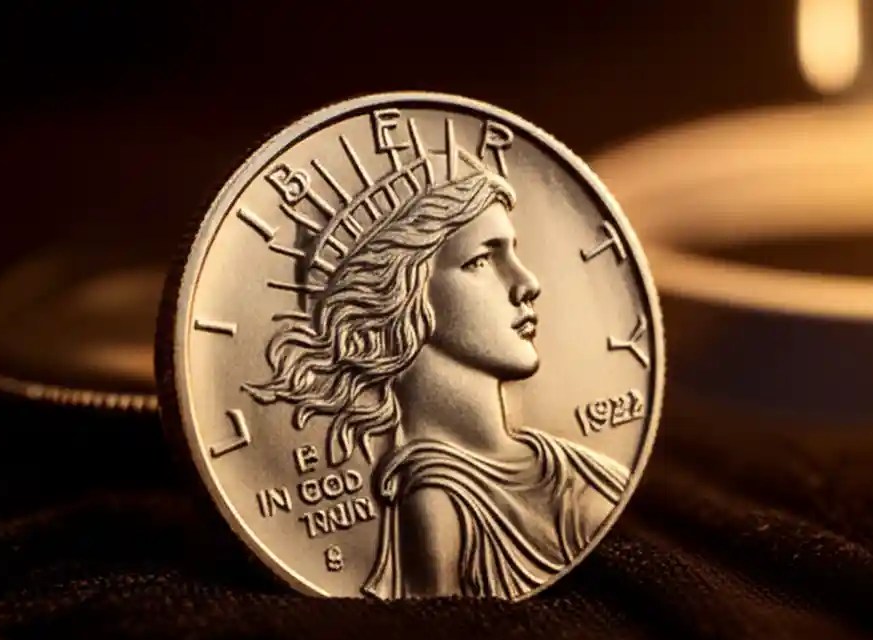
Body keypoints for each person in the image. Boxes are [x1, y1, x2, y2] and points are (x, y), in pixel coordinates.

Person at [245, 156, 628, 600]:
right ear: (404, 294)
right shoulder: (438, 502)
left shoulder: (578, 467)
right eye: (481, 261)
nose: (527, 282)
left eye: (513, 253)